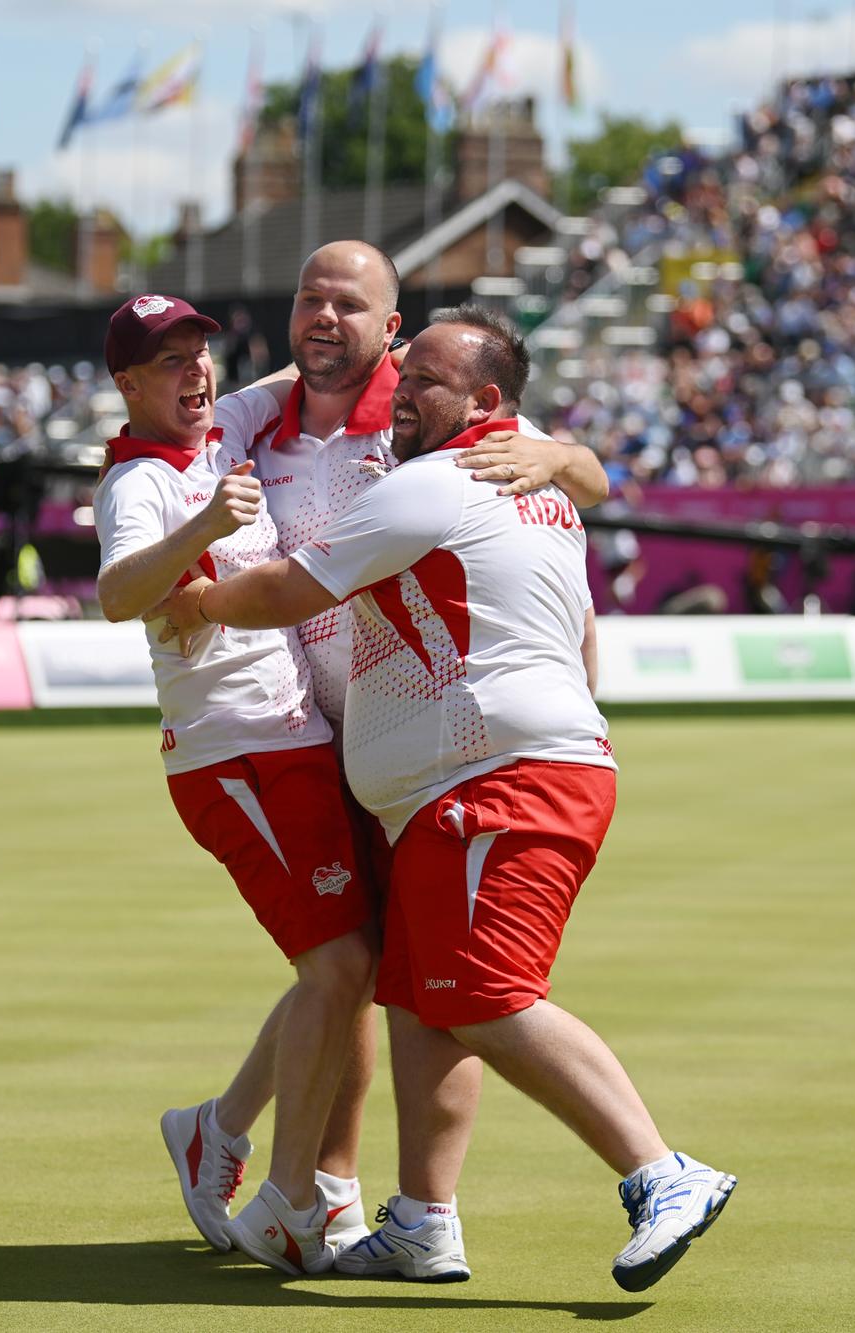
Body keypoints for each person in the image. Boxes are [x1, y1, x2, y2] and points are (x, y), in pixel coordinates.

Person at [161, 307, 734, 1292]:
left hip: (494, 783)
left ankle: (661, 1170)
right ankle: (422, 1221)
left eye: (424, 379)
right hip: (470, 785)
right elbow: (582, 609)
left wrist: (199, 596)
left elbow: (289, 591)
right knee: (423, 1004)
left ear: (486, 402)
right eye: (403, 374)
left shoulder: (437, 484)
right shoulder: (533, 487)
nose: (402, 391)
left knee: (484, 995)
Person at [93, 293, 376, 1276]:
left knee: (350, 968)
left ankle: (219, 1131)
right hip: (230, 752)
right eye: (167, 361)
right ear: (127, 384)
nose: (192, 373)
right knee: (341, 971)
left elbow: (306, 377)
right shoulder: (138, 479)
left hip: (293, 740)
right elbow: (118, 595)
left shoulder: (223, 431)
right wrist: (205, 522)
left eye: (198, 353)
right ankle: (284, 1190)